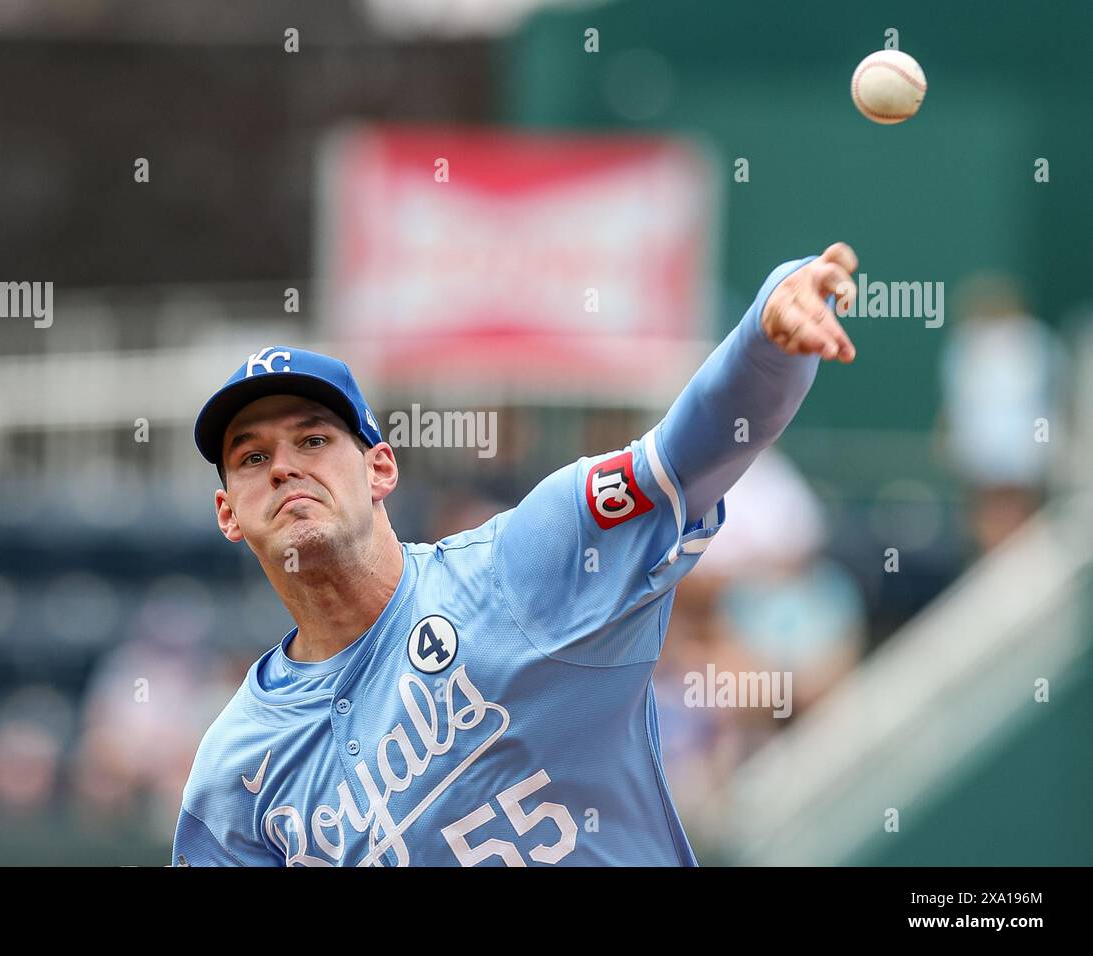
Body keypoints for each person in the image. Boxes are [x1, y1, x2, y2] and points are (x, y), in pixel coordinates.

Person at [172, 243, 859, 866]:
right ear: (228, 513)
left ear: (381, 468)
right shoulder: (234, 774)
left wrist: (765, 341)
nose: (284, 467)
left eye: (314, 440)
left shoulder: (524, 565)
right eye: (252, 456)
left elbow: (691, 453)